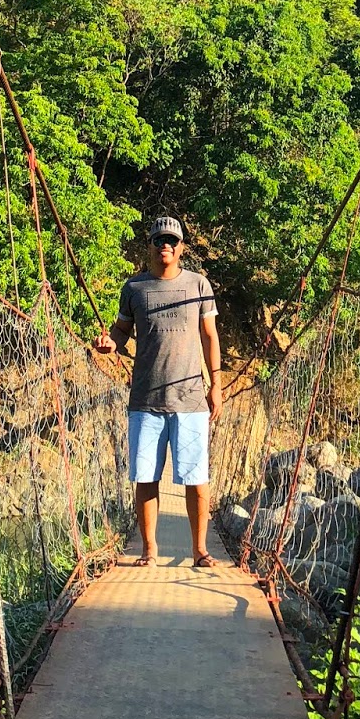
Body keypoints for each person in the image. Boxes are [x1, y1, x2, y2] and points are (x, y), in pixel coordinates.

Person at [93, 215, 223, 568]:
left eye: (172, 240)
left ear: (181, 247)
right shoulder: (133, 288)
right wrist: (110, 343)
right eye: (159, 240)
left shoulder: (199, 284)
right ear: (148, 245)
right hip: (145, 401)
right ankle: (148, 550)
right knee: (145, 476)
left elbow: (210, 336)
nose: (165, 245)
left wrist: (217, 384)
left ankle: (200, 551)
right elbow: (120, 332)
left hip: (192, 398)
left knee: (197, 479)